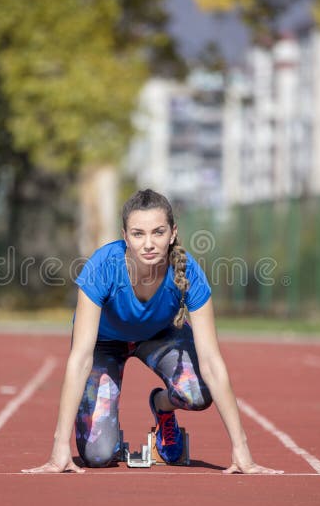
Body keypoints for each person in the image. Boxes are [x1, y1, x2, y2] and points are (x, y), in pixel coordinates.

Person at [23, 189, 281, 474]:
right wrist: (60, 446)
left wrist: (241, 448)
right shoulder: (102, 268)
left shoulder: (189, 274)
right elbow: (80, 358)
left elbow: (212, 362)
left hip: (159, 336)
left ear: (172, 233)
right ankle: (110, 437)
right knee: (97, 455)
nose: (148, 244)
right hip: (105, 344)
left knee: (196, 392)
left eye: (157, 232)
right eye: (138, 234)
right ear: (125, 236)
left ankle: (161, 405)